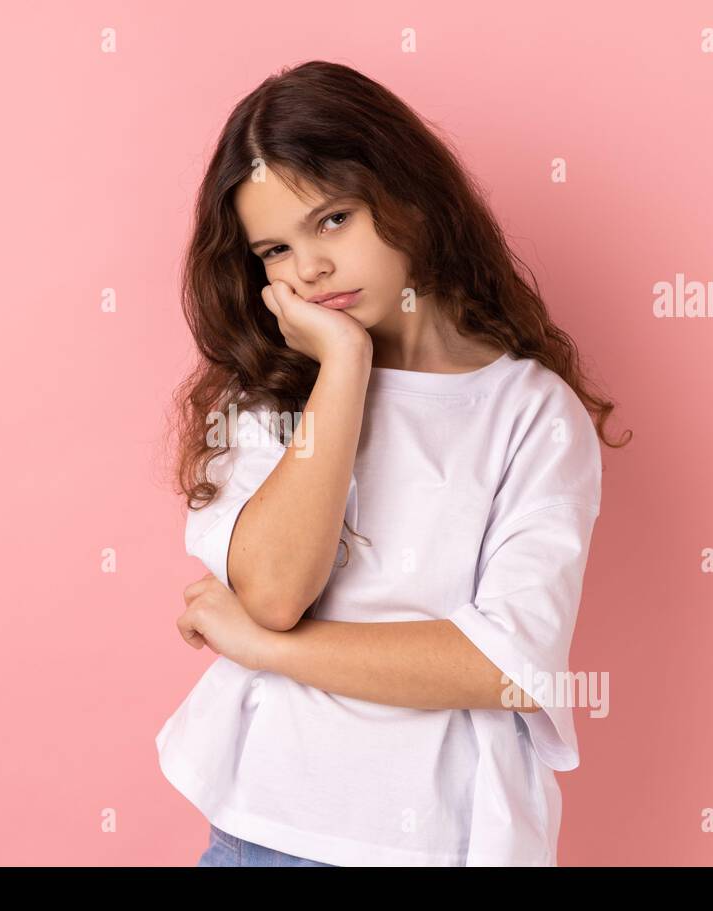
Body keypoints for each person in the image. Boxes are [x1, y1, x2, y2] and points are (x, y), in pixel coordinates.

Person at [156, 60, 631, 867]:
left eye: (333, 220)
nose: (309, 269)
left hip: (448, 844)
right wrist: (343, 366)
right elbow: (273, 592)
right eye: (276, 247)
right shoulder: (271, 399)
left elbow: (502, 664)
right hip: (264, 833)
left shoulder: (529, 415)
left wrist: (270, 652)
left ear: (409, 197)